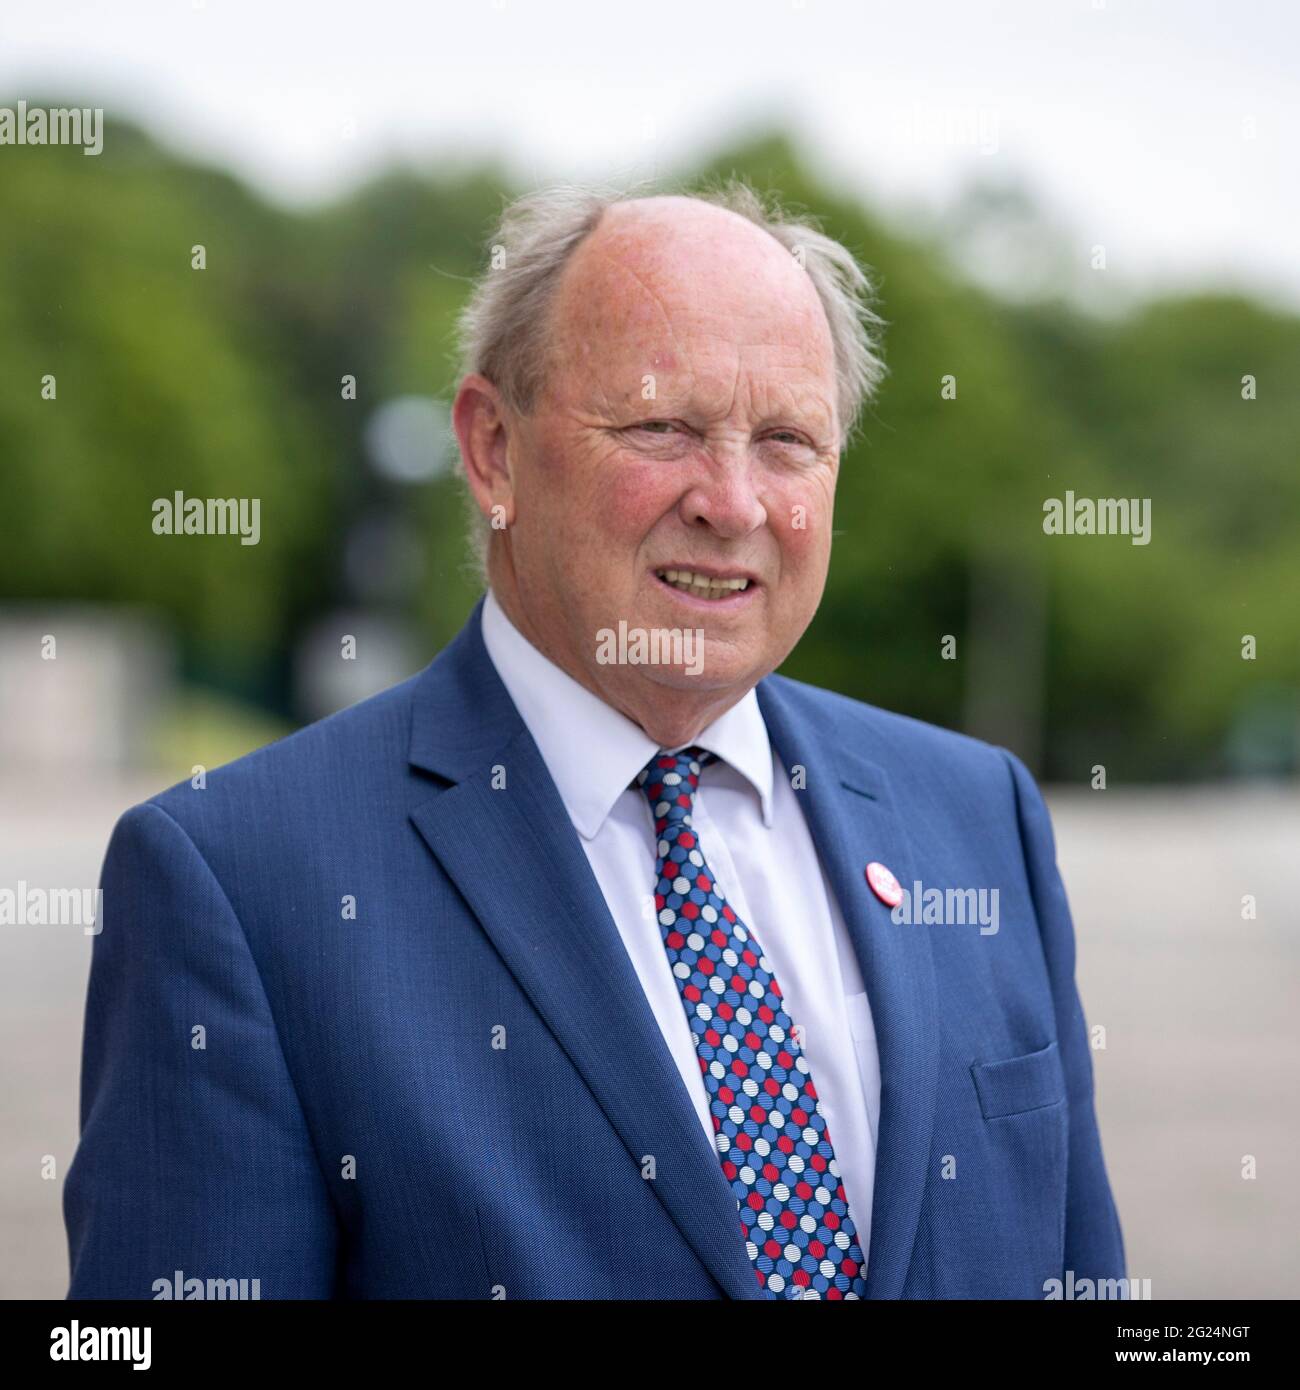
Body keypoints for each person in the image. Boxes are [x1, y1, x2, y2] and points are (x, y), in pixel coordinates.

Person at [65, 182, 1125, 1300]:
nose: (731, 501)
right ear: (491, 452)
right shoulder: (239, 881)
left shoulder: (977, 819)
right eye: (661, 427)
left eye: (786, 441)